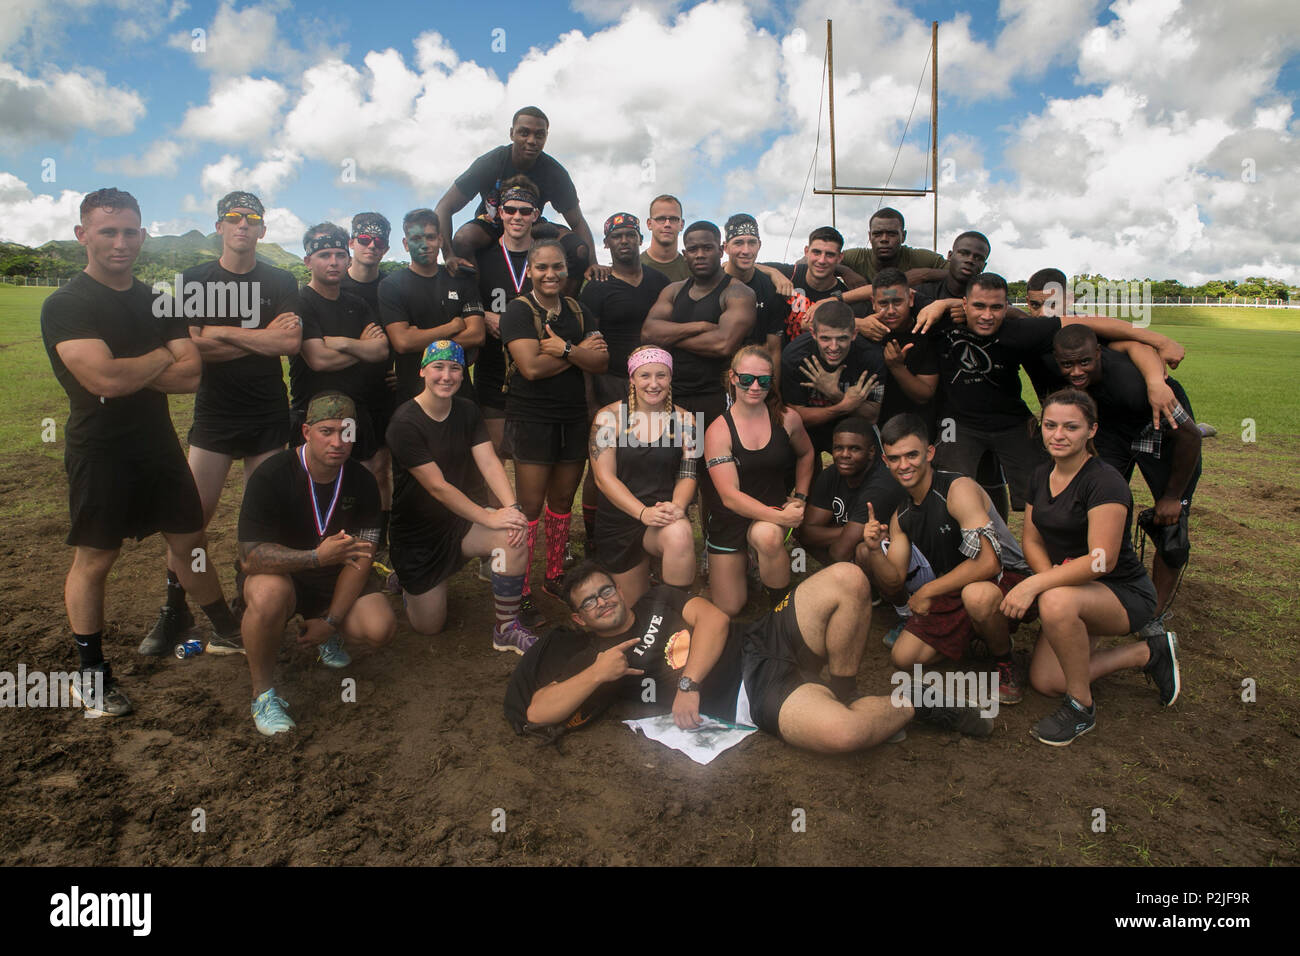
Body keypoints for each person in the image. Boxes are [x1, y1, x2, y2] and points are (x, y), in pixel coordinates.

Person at [41, 187, 241, 716]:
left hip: (158, 447)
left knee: (189, 538)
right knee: (97, 558)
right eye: (108, 231)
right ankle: (91, 674)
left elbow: (192, 375)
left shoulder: (159, 299)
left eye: (130, 231)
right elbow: (103, 378)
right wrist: (155, 360)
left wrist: (131, 370)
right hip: (100, 450)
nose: (120, 241)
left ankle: (226, 629)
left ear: (144, 235)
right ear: (82, 235)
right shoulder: (67, 304)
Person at [505, 561, 985, 749]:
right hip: (753, 691)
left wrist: (688, 683)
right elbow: (536, 710)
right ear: (581, 620)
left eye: (605, 589)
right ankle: (916, 701)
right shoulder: (598, 657)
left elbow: (713, 619)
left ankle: (842, 688)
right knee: (846, 734)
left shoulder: (658, 599)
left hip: (764, 634)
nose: (603, 601)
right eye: (589, 602)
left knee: (849, 578)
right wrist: (595, 675)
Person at [147, 189, 300, 656]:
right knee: (189, 523)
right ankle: (177, 607)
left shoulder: (280, 279)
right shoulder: (194, 278)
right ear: (219, 226)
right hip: (215, 413)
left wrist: (218, 334)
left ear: (262, 230)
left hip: (268, 413)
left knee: (261, 520)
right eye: (233, 218)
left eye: (251, 219)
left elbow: (289, 345)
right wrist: (260, 338)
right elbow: (189, 348)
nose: (242, 225)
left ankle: (245, 602)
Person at [912, 272, 1185, 513]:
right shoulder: (942, 319)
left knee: (1045, 490)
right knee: (950, 487)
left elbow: (1094, 325)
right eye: (979, 306)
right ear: (964, 304)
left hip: (1012, 422)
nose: (987, 315)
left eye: (996, 307)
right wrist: (940, 304)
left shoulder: (1024, 330)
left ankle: (1046, 555)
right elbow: (898, 295)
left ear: (1007, 307)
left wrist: (1160, 341)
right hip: (958, 422)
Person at [1000, 389, 1179, 746]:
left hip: (1121, 593)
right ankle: (1147, 652)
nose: (1058, 435)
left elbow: (1102, 560)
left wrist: (1038, 586)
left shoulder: (1104, 481)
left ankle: (1081, 707)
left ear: (1091, 431)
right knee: (1047, 681)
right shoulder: (1040, 475)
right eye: (1050, 425)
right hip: (1071, 589)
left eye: (1071, 427)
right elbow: (1032, 541)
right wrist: (1048, 581)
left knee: (1055, 603)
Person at [236, 392, 397, 736]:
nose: (338, 442)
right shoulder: (272, 474)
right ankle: (262, 694)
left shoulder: (364, 482)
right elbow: (250, 558)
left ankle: (327, 633)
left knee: (379, 627)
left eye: (346, 432)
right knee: (267, 596)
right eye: (327, 431)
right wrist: (313, 557)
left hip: (335, 575)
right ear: (306, 432)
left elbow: (363, 556)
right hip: (286, 575)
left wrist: (331, 620)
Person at [863, 415, 1032, 707]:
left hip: (1007, 578)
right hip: (956, 586)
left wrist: (928, 591)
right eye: (895, 458)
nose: (904, 465)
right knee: (904, 658)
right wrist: (876, 551)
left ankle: (1005, 662)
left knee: (977, 596)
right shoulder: (901, 515)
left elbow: (988, 564)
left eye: (912, 455)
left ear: (929, 452)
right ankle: (980, 633)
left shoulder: (958, 489)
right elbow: (894, 581)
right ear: (885, 461)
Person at [385, 341, 537, 652]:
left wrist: (511, 508)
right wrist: (488, 515)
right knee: (429, 627)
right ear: (423, 370)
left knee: (511, 534)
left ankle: (506, 627)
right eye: (438, 367)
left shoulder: (466, 409)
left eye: (454, 368)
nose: (446, 375)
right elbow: (437, 486)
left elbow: (489, 461)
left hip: (459, 521)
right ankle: (406, 581)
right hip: (417, 536)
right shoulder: (404, 422)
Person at [1052, 325, 1202, 629]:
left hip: (1161, 432)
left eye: (1085, 362)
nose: (1076, 371)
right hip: (1115, 432)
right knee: (1094, 505)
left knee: (1170, 525)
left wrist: (1173, 496)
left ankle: (1153, 613)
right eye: (1067, 365)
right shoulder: (1067, 356)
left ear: (1099, 354)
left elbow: (1190, 438)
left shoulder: (1132, 384)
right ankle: (1101, 582)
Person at [501, 239, 609, 606]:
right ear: (529, 271)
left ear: (567, 270)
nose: (551, 274)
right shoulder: (518, 311)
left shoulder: (578, 310)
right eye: (542, 268)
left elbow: (601, 363)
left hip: (572, 417)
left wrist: (564, 349)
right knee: (529, 506)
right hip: (531, 417)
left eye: (558, 267)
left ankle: (554, 574)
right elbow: (530, 368)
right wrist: (579, 352)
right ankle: (520, 584)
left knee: (563, 499)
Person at [579, 213, 672, 549]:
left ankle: (649, 527)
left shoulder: (659, 282)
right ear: (606, 243)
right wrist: (591, 400)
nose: (624, 241)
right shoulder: (597, 288)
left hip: (652, 386)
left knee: (651, 457)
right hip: (611, 382)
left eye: (629, 235)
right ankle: (594, 533)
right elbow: (589, 345)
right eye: (616, 236)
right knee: (602, 463)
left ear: (639, 239)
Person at [703, 346, 814, 616]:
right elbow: (729, 496)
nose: (755, 386)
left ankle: (781, 609)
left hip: (770, 514)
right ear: (732, 377)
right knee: (730, 606)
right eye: (746, 379)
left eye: (763, 381)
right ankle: (750, 566)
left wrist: (800, 497)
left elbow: (807, 453)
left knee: (766, 538)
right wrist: (783, 519)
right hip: (729, 517)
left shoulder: (788, 419)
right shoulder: (718, 430)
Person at [589, 346, 698, 606]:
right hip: (620, 521)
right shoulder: (608, 418)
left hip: (661, 517)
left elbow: (688, 472)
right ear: (632, 378)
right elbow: (603, 478)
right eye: (644, 375)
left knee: (680, 533)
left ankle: (675, 614)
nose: (653, 384)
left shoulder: (689, 420)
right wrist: (641, 512)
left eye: (661, 375)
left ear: (670, 377)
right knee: (633, 610)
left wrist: (677, 507)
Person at [289, 223, 390, 502]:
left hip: (357, 407)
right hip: (311, 409)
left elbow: (381, 350)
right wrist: (361, 346)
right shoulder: (300, 302)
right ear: (308, 261)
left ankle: (371, 543)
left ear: (348, 259)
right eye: (324, 255)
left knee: (366, 480)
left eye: (339, 254)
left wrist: (342, 342)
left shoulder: (356, 303)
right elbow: (318, 359)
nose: (333, 262)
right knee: (311, 486)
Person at [434, 106, 597, 278]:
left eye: (539, 135)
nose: (532, 140)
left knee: (578, 250)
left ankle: (563, 304)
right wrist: (448, 255)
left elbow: (577, 221)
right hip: (492, 223)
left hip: (530, 224)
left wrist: (592, 263)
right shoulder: (491, 163)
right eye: (524, 133)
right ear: (512, 134)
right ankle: (474, 301)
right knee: (463, 239)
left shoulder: (554, 173)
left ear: (546, 137)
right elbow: (444, 207)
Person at [641, 220, 756, 435]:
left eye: (707, 248)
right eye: (693, 249)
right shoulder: (673, 291)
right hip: (670, 395)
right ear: (685, 254)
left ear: (721, 250)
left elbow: (722, 345)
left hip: (715, 396)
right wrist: (701, 326)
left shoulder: (738, 293)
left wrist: (669, 336)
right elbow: (648, 333)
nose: (700, 254)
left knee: (709, 464)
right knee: (669, 463)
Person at [378, 209, 485, 404]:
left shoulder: (461, 279)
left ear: (441, 240)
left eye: (430, 237)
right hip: (412, 399)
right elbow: (402, 342)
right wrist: (451, 327)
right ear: (405, 244)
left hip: (459, 397)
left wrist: (418, 337)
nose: (424, 245)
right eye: (416, 238)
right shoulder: (391, 285)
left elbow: (476, 335)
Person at [340, 212, 398, 547]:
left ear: (386, 247)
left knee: (381, 469)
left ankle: (381, 536)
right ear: (352, 242)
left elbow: (404, 334)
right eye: (364, 239)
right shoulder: (335, 283)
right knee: (349, 468)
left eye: (378, 242)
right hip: (345, 390)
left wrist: (401, 372)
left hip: (384, 390)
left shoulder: (390, 287)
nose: (370, 246)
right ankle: (348, 532)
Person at [472, 178, 540, 457]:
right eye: (510, 210)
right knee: (495, 456)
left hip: (537, 369)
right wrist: (482, 313)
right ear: (499, 212)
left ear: (535, 215)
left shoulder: (546, 256)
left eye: (525, 211)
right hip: (493, 368)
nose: (517, 217)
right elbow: (464, 298)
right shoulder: (482, 256)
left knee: (535, 459)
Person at [779, 298, 884, 461]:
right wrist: (843, 405)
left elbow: (871, 416)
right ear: (813, 334)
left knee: (875, 467)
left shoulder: (870, 356)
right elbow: (797, 416)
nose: (834, 347)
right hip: (808, 429)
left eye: (842, 338)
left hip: (852, 426)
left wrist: (834, 393)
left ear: (854, 334)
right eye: (825, 338)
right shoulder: (795, 357)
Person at [797, 418, 903, 567]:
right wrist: (850, 532)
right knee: (797, 528)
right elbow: (806, 534)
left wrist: (842, 534)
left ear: (871, 452)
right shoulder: (831, 474)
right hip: (850, 544)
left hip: (895, 557)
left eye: (854, 449)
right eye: (838, 448)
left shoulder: (882, 485)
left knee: (863, 550)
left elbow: (840, 552)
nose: (844, 454)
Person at [865, 267, 940, 433]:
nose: (891, 311)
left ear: (911, 299)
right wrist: (854, 325)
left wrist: (897, 367)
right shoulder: (864, 326)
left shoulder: (925, 330)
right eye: (883, 303)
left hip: (918, 421)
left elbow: (925, 395)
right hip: (873, 421)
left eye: (897, 302)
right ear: (873, 303)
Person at [765, 226, 862, 343]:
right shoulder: (791, 273)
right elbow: (747, 267)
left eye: (830, 255)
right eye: (816, 252)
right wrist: (772, 272)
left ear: (840, 258)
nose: (821, 260)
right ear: (806, 251)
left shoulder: (843, 297)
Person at [722, 213, 786, 383]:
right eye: (738, 243)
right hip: (718, 376)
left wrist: (775, 394)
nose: (746, 250)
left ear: (759, 245)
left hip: (757, 380)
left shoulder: (771, 288)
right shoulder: (712, 284)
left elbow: (774, 350)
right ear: (725, 247)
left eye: (752, 242)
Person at [839, 207, 948, 284]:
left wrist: (925, 275)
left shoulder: (918, 258)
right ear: (869, 236)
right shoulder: (856, 257)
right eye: (877, 234)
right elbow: (824, 262)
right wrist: (845, 272)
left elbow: (956, 272)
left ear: (903, 236)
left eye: (892, 234)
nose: (884, 239)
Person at [641, 195, 689, 281]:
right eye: (661, 219)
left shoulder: (692, 270)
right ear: (649, 224)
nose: (667, 224)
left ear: (681, 225)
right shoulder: (633, 268)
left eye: (674, 219)